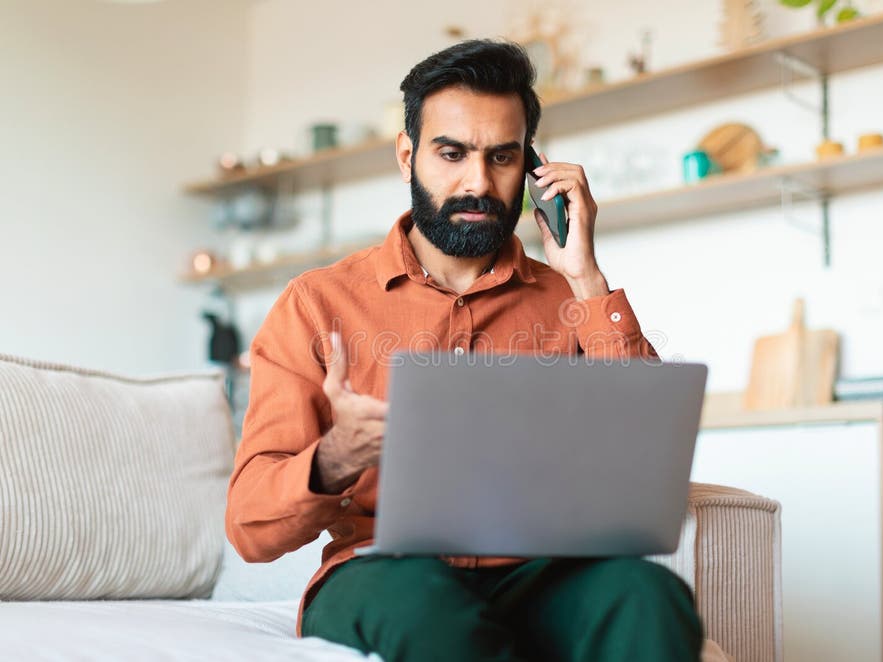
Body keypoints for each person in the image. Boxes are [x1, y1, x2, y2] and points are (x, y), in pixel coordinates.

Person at [225, 39, 703, 662]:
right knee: (427, 610)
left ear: (532, 169)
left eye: (502, 158)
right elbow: (249, 527)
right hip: (384, 571)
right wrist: (335, 457)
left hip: (540, 574)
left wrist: (586, 277)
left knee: (645, 593)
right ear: (407, 156)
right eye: (452, 153)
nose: (478, 183)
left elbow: (645, 459)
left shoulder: (569, 295)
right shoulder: (316, 303)